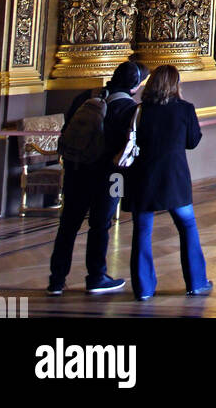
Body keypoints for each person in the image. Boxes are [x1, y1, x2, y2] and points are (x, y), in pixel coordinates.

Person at [48, 59, 148, 295]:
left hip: (76, 170)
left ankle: (56, 280)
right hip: (112, 176)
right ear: (135, 86)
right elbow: (129, 146)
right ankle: (96, 276)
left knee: (68, 226)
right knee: (100, 225)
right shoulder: (130, 108)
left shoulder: (86, 97)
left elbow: (67, 131)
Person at [123, 65, 211, 301]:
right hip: (173, 178)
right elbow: (192, 141)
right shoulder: (184, 109)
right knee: (187, 227)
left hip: (142, 178)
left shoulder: (140, 110)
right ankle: (196, 282)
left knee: (142, 232)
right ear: (176, 84)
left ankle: (143, 289)